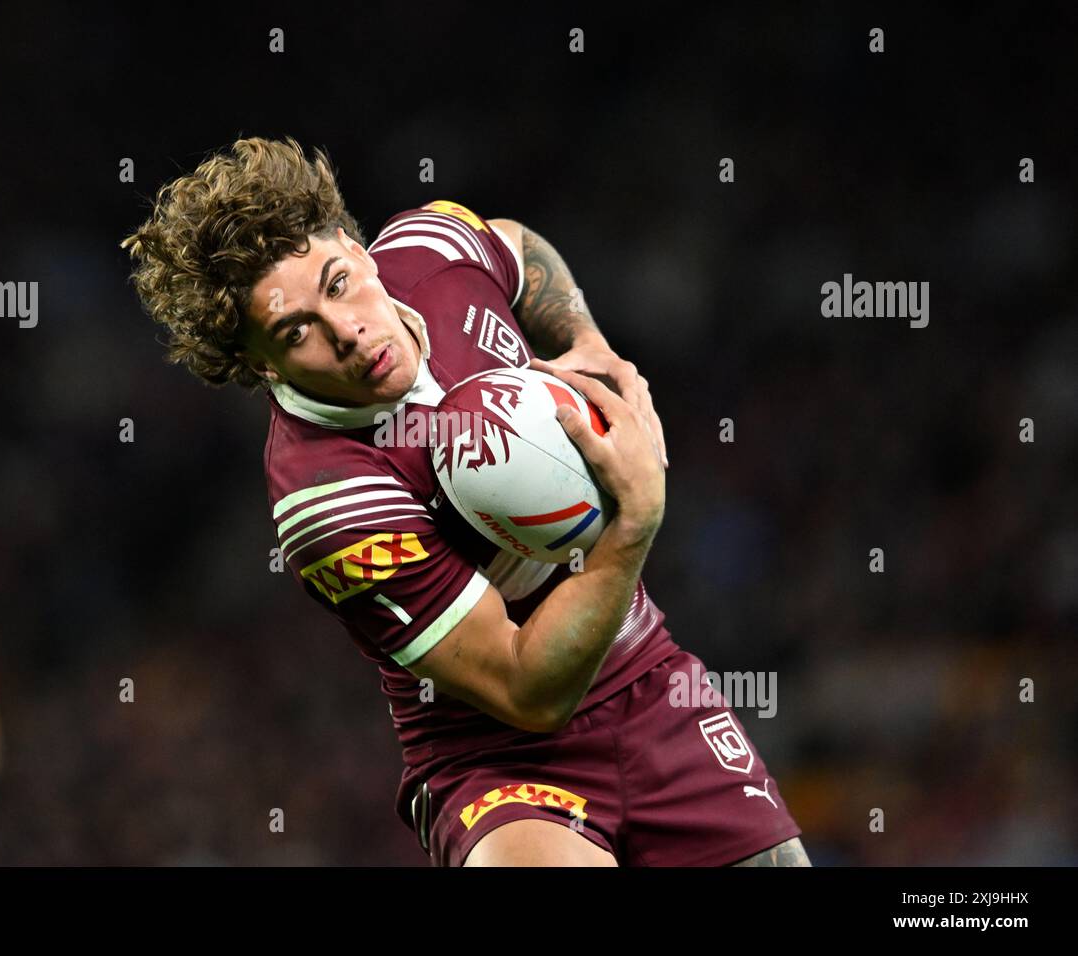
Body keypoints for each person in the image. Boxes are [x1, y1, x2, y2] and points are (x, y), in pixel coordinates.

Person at [121, 137, 808, 866]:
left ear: (357, 248)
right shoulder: (326, 498)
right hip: (498, 755)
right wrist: (633, 522)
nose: (347, 331)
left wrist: (585, 338)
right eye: (298, 332)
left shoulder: (430, 247)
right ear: (263, 364)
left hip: (646, 676)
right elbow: (524, 690)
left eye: (339, 282)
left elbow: (514, 244)